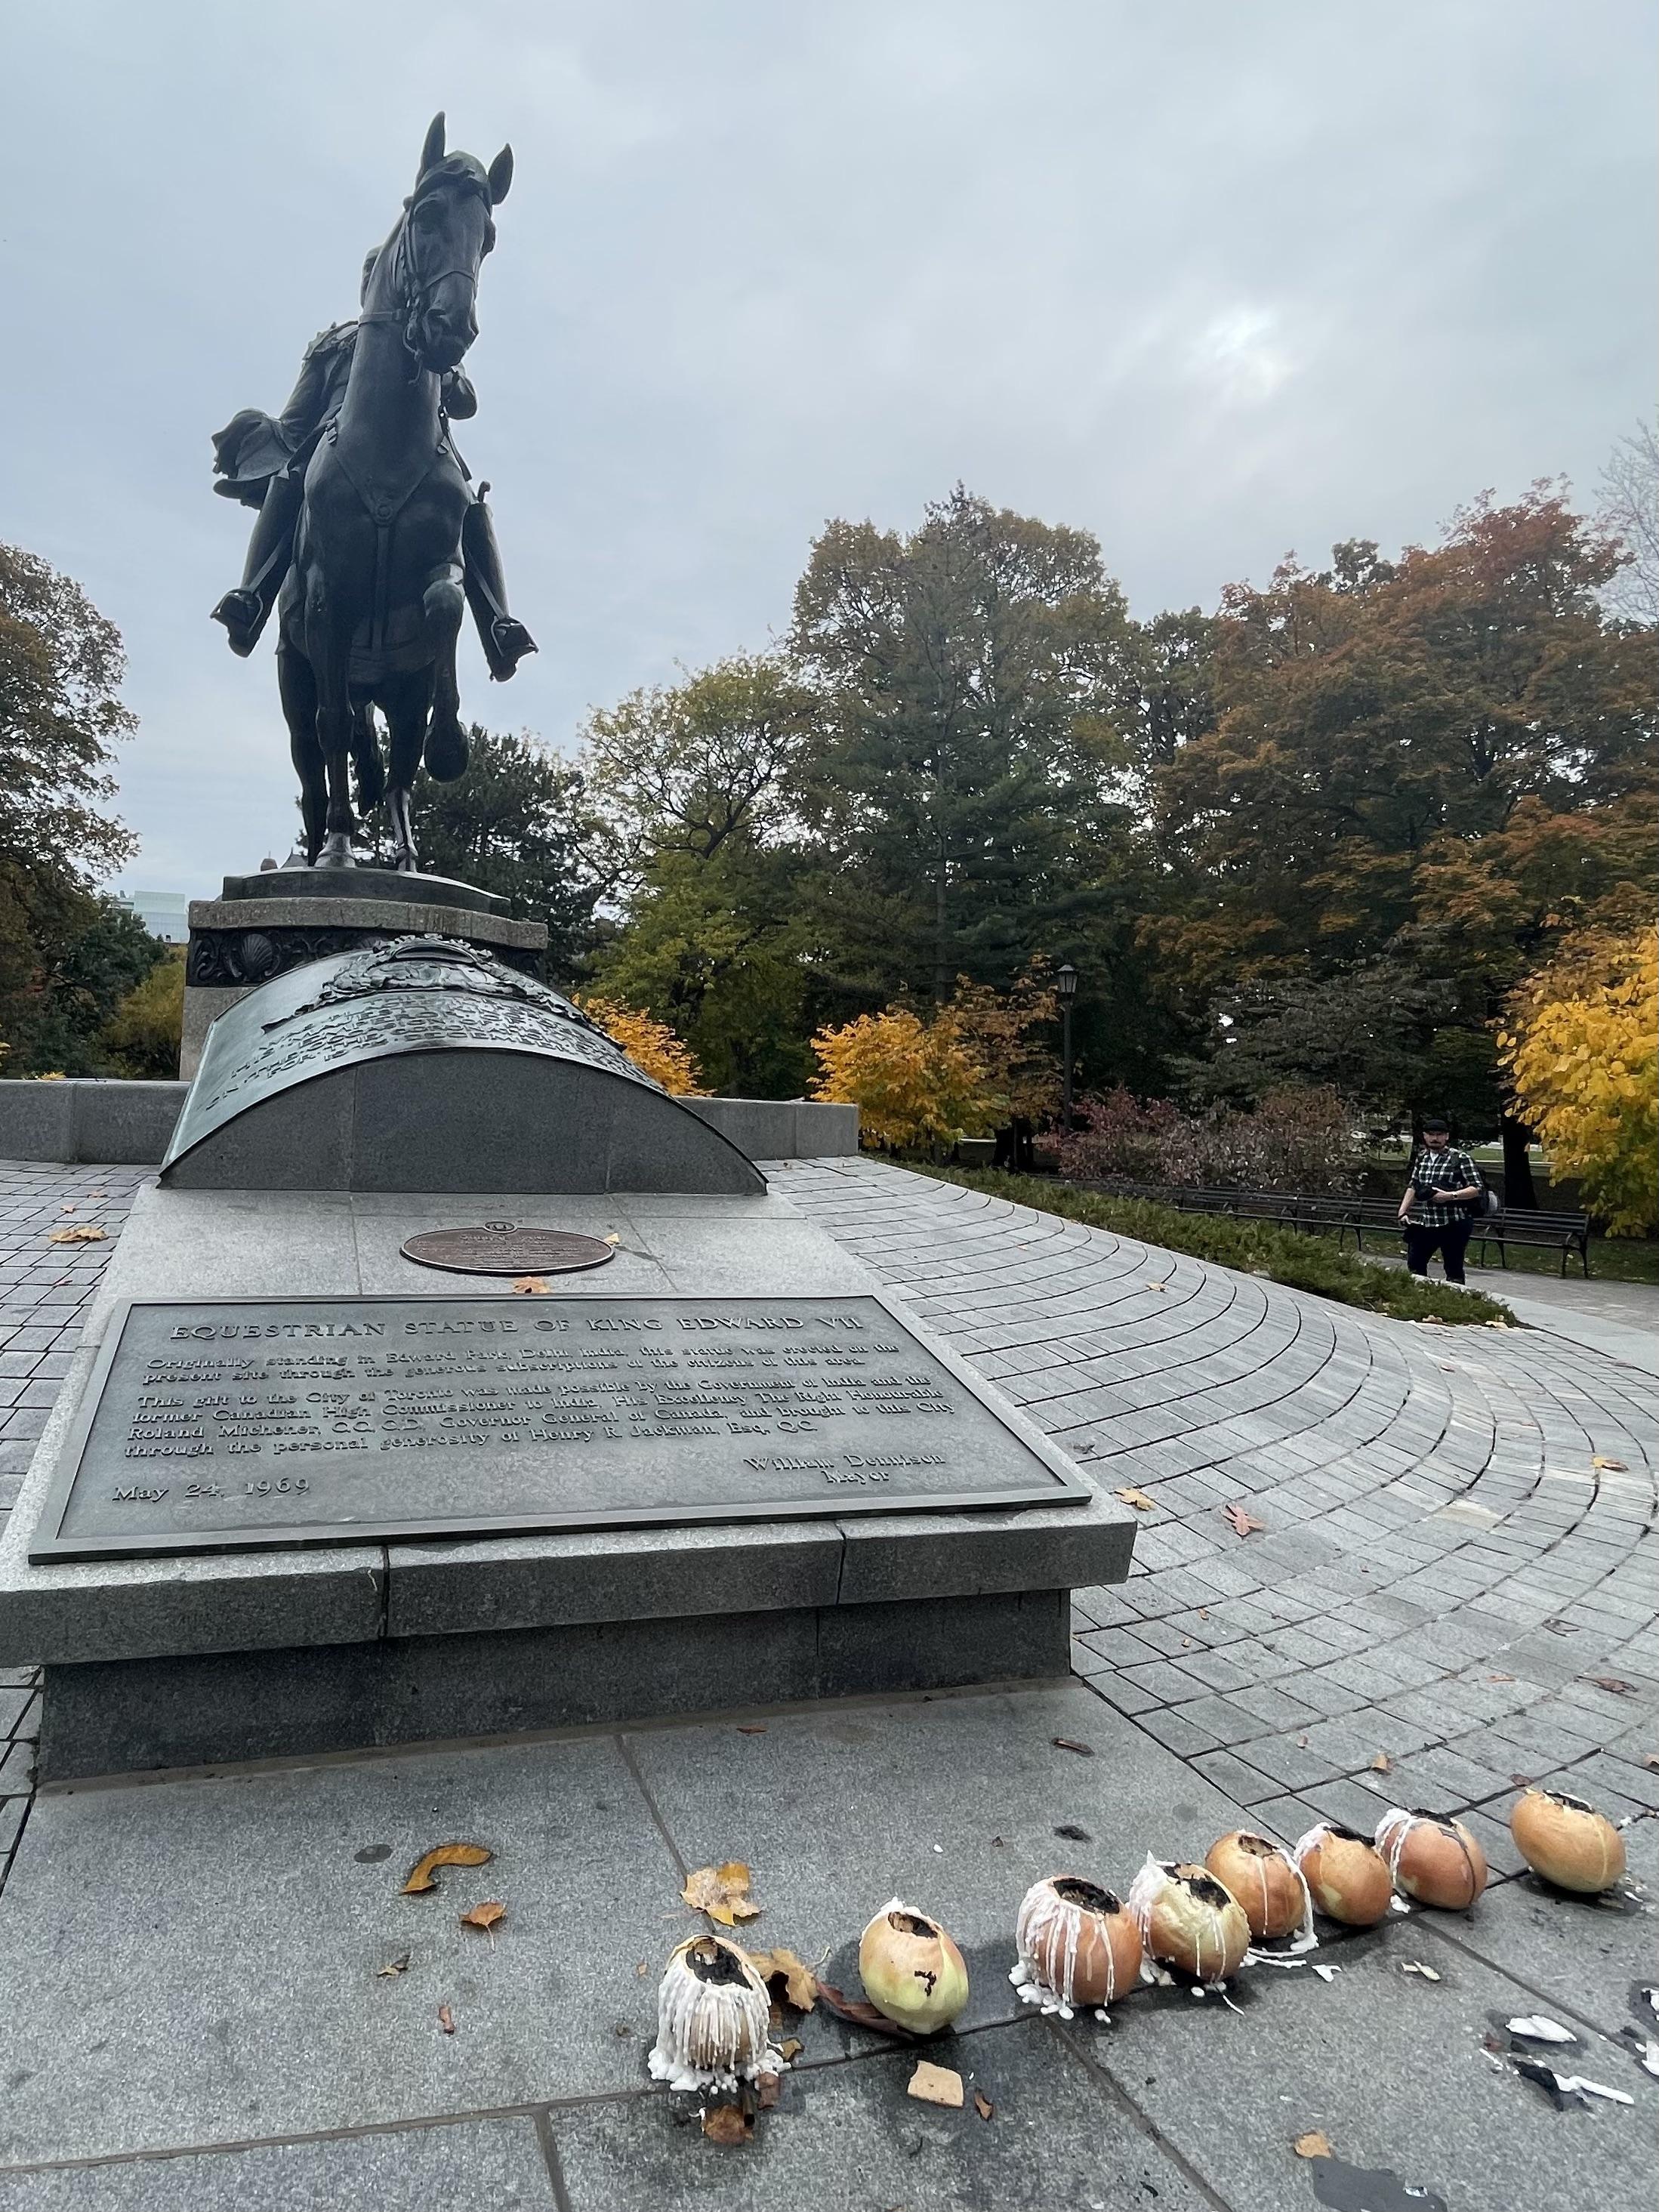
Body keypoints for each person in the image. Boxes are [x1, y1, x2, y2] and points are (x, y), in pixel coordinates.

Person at [208, 249, 535, 680]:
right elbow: (297, 419)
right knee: (290, 481)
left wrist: (448, 373)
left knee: (469, 505)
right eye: (368, 274)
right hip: (333, 445)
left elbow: (466, 403)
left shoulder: (428, 333)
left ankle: (497, 624)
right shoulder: (334, 341)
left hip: (422, 451)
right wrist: (260, 433)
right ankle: (251, 597)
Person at [1397, 1117, 1484, 1285]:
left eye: (1439, 1135)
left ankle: (1455, 1298)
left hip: (1455, 1221)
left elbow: (1477, 1188)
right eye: (1431, 1135)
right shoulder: (1422, 1158)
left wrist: (1450, 1196)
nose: (1435, 1138)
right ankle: (1422, 1295)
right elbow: (1414, 1186)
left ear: (1447, 1137)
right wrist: (1403, 1212)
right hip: (1428, 1221)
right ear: (1424, 1136)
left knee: (1453, 1267)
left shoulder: (1460, 1158)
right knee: (1415, 1263)